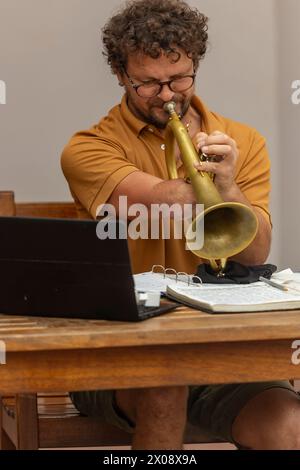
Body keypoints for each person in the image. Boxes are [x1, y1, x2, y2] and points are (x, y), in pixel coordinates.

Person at [61, 0, 300, 450]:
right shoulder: (88, 148)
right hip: (118, 354)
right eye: (148, 83)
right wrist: (217, 185)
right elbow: (160, 199)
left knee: (290, 424)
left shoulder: (243, 142)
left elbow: (254, 254)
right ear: (120, 74)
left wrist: (231, 188)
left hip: (218, 353)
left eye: (179, 78)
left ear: (195, 65)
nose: (168, 95)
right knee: (165, 386)